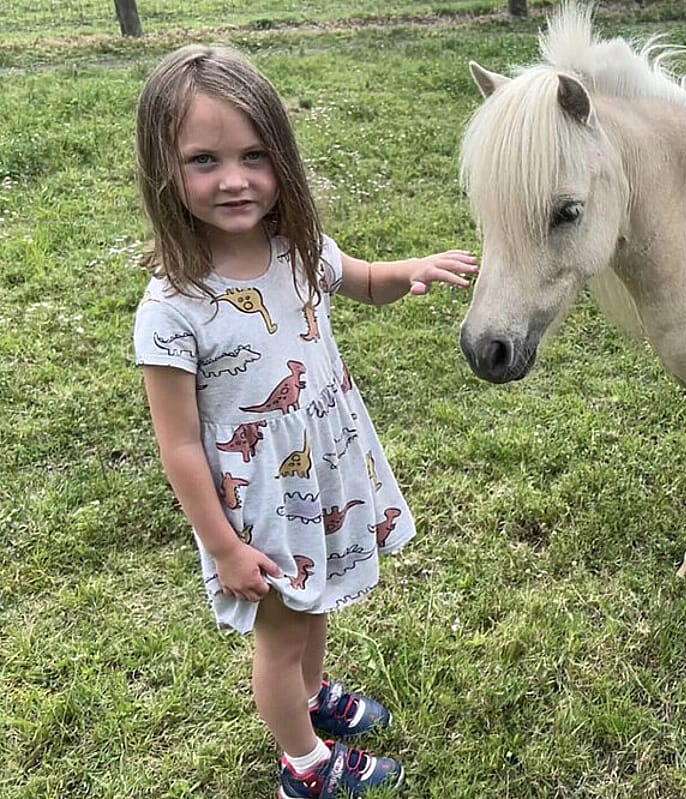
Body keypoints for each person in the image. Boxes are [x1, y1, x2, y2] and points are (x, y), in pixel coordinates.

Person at [131, 44, 477, 799]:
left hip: (321, 469)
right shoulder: (173, 309)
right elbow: (180, 443)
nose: (234, 179)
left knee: (314, 606)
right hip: (259, 506)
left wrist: (410, 269)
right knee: (281, 634)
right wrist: (224, 546)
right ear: (163, 168)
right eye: (203, 160)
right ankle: (304, 763)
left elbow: (365, 282)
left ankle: (313, 693)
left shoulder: (297, 249)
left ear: (282, 156)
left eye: (254, 154)